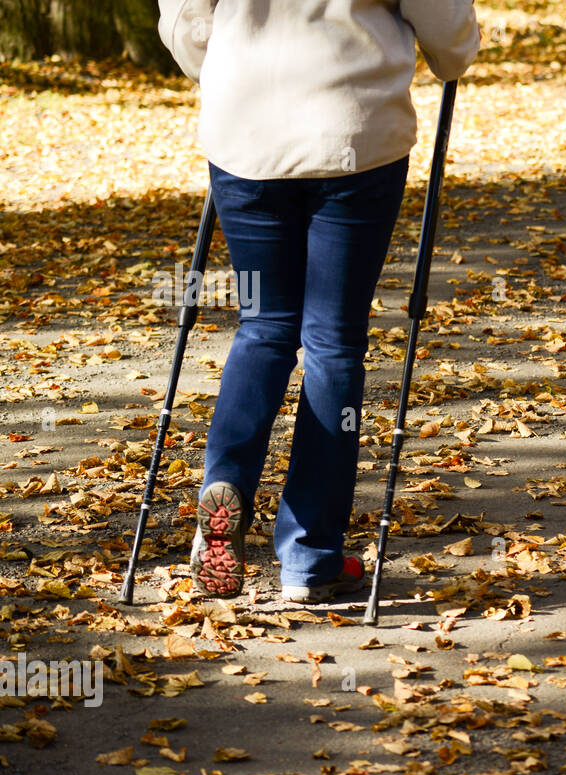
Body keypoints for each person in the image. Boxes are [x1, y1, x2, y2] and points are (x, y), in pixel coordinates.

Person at [157, 0, 479, 603]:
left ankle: (225, 490)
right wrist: (454, 51)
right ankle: (309, 559)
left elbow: (185, 15)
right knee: (334, 344)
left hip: (247, 131)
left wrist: (219, 62)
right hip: (354, 132)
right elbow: (444, 23)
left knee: (263, 328)